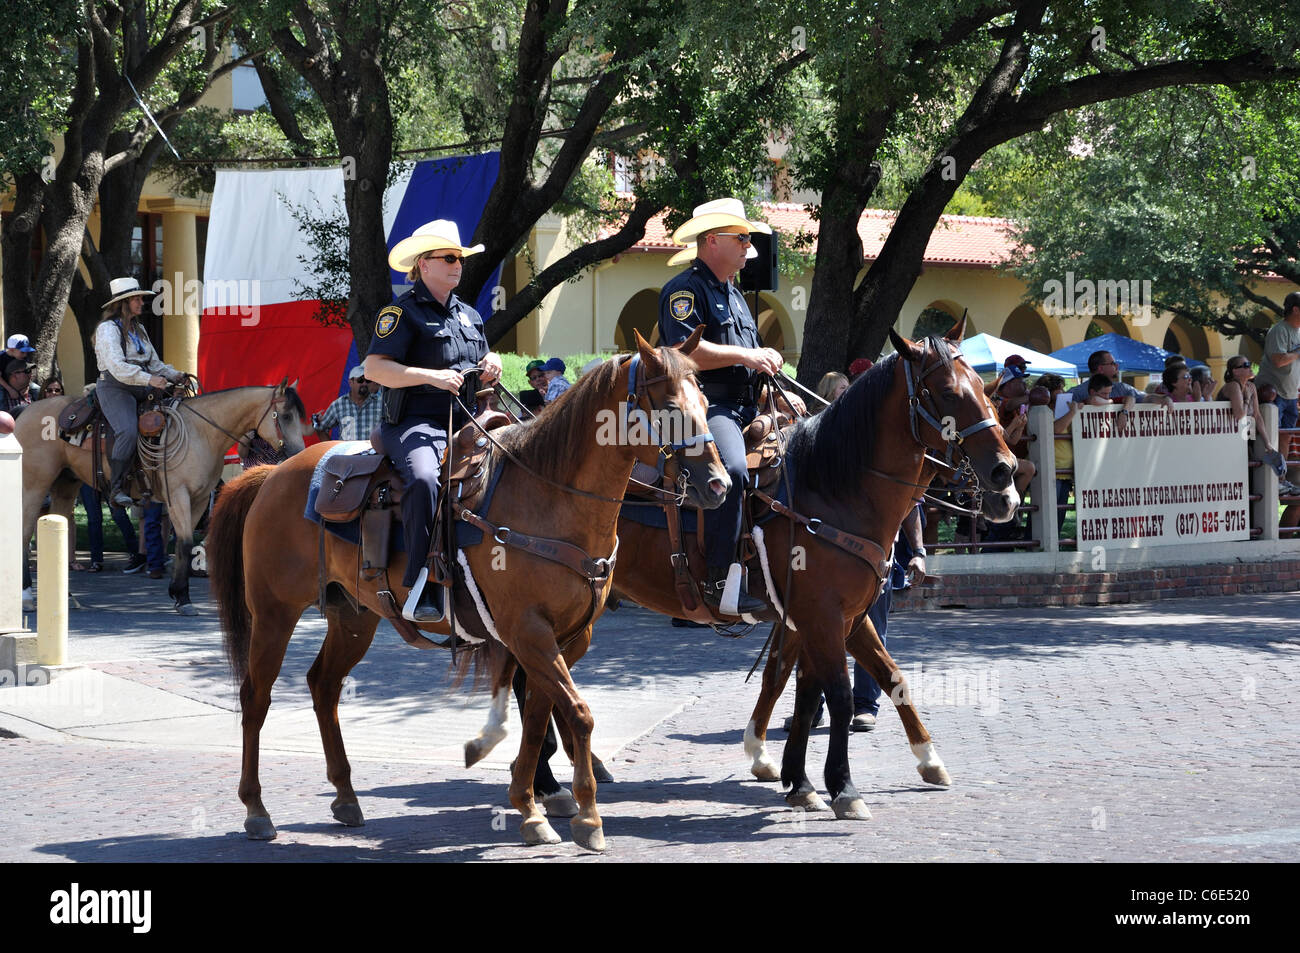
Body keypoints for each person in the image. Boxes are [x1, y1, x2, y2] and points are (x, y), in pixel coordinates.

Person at [658, 197, 804, 615]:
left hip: (747, 405)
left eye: (746, 239)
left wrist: (775, 391)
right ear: (711, 241)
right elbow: (682, 351)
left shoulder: (736, 296)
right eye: (739, 238)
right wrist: (747, 356)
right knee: (734, 471)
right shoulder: (684, 291)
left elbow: (750, 360)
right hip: (707, 407)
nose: (747, 246)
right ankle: (718, 579)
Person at [363, 219, 502, 623]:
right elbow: (374, 368)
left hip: (469, 422)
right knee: (425, 480)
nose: (457, 264)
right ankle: (421, 580)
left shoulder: (470, 316)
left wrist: (492, 361)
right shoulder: (399, 313)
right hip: (414, 425)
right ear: (424, 265)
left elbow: (482, 360)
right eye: (448, 258)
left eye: (459, 258)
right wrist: (429, 376)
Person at [93, 277, 186, 507]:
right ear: (123, 303)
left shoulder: (139, 329)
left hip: (143, 386)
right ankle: (116, 488)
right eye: (136, 298)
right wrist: (150, 379)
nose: (141, 302)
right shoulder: (107, 329)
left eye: (141, 298)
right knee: (128, 430)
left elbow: (155, 363)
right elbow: (117, 367)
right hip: (115, 387)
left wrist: (176, 375)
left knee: (177, 416)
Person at [1218, 356, 1295, 494]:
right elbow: (1240, 415)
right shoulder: (1233, 386)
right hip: (1229, 439)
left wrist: (1268, 444)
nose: (1250, 367)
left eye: (1250, 363)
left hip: (1246, 438)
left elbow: (1257, 416)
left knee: (1251, 479)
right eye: (1246, 365)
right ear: (1235, 371)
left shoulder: (1251, 386)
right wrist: (1247, 399)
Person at [1252, 291, 1300, 467]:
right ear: (1295, 309)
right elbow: (1278, 360)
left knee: (1285, 436)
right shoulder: (1279, 330)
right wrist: (1297, 353)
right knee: (1271, 435)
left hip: (1291, 393)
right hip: (1272, 393)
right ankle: (1268, 480)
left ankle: (1281, 480)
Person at [1067, 350, 1169, 414]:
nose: (1117, 366)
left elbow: (1146, 397)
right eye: (1113, 363)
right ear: (1101, 368)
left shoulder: (1122, 388)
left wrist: (1165, 398)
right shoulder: (1075, 393)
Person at [313, 365, 383, 442]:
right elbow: (321, 428)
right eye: (360, 380)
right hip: (347, 453)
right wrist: (331, 449)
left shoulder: (380, 403)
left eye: (367, 380)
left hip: (373, 453)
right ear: (350, 382)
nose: (364, 384)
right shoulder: (338, 405)